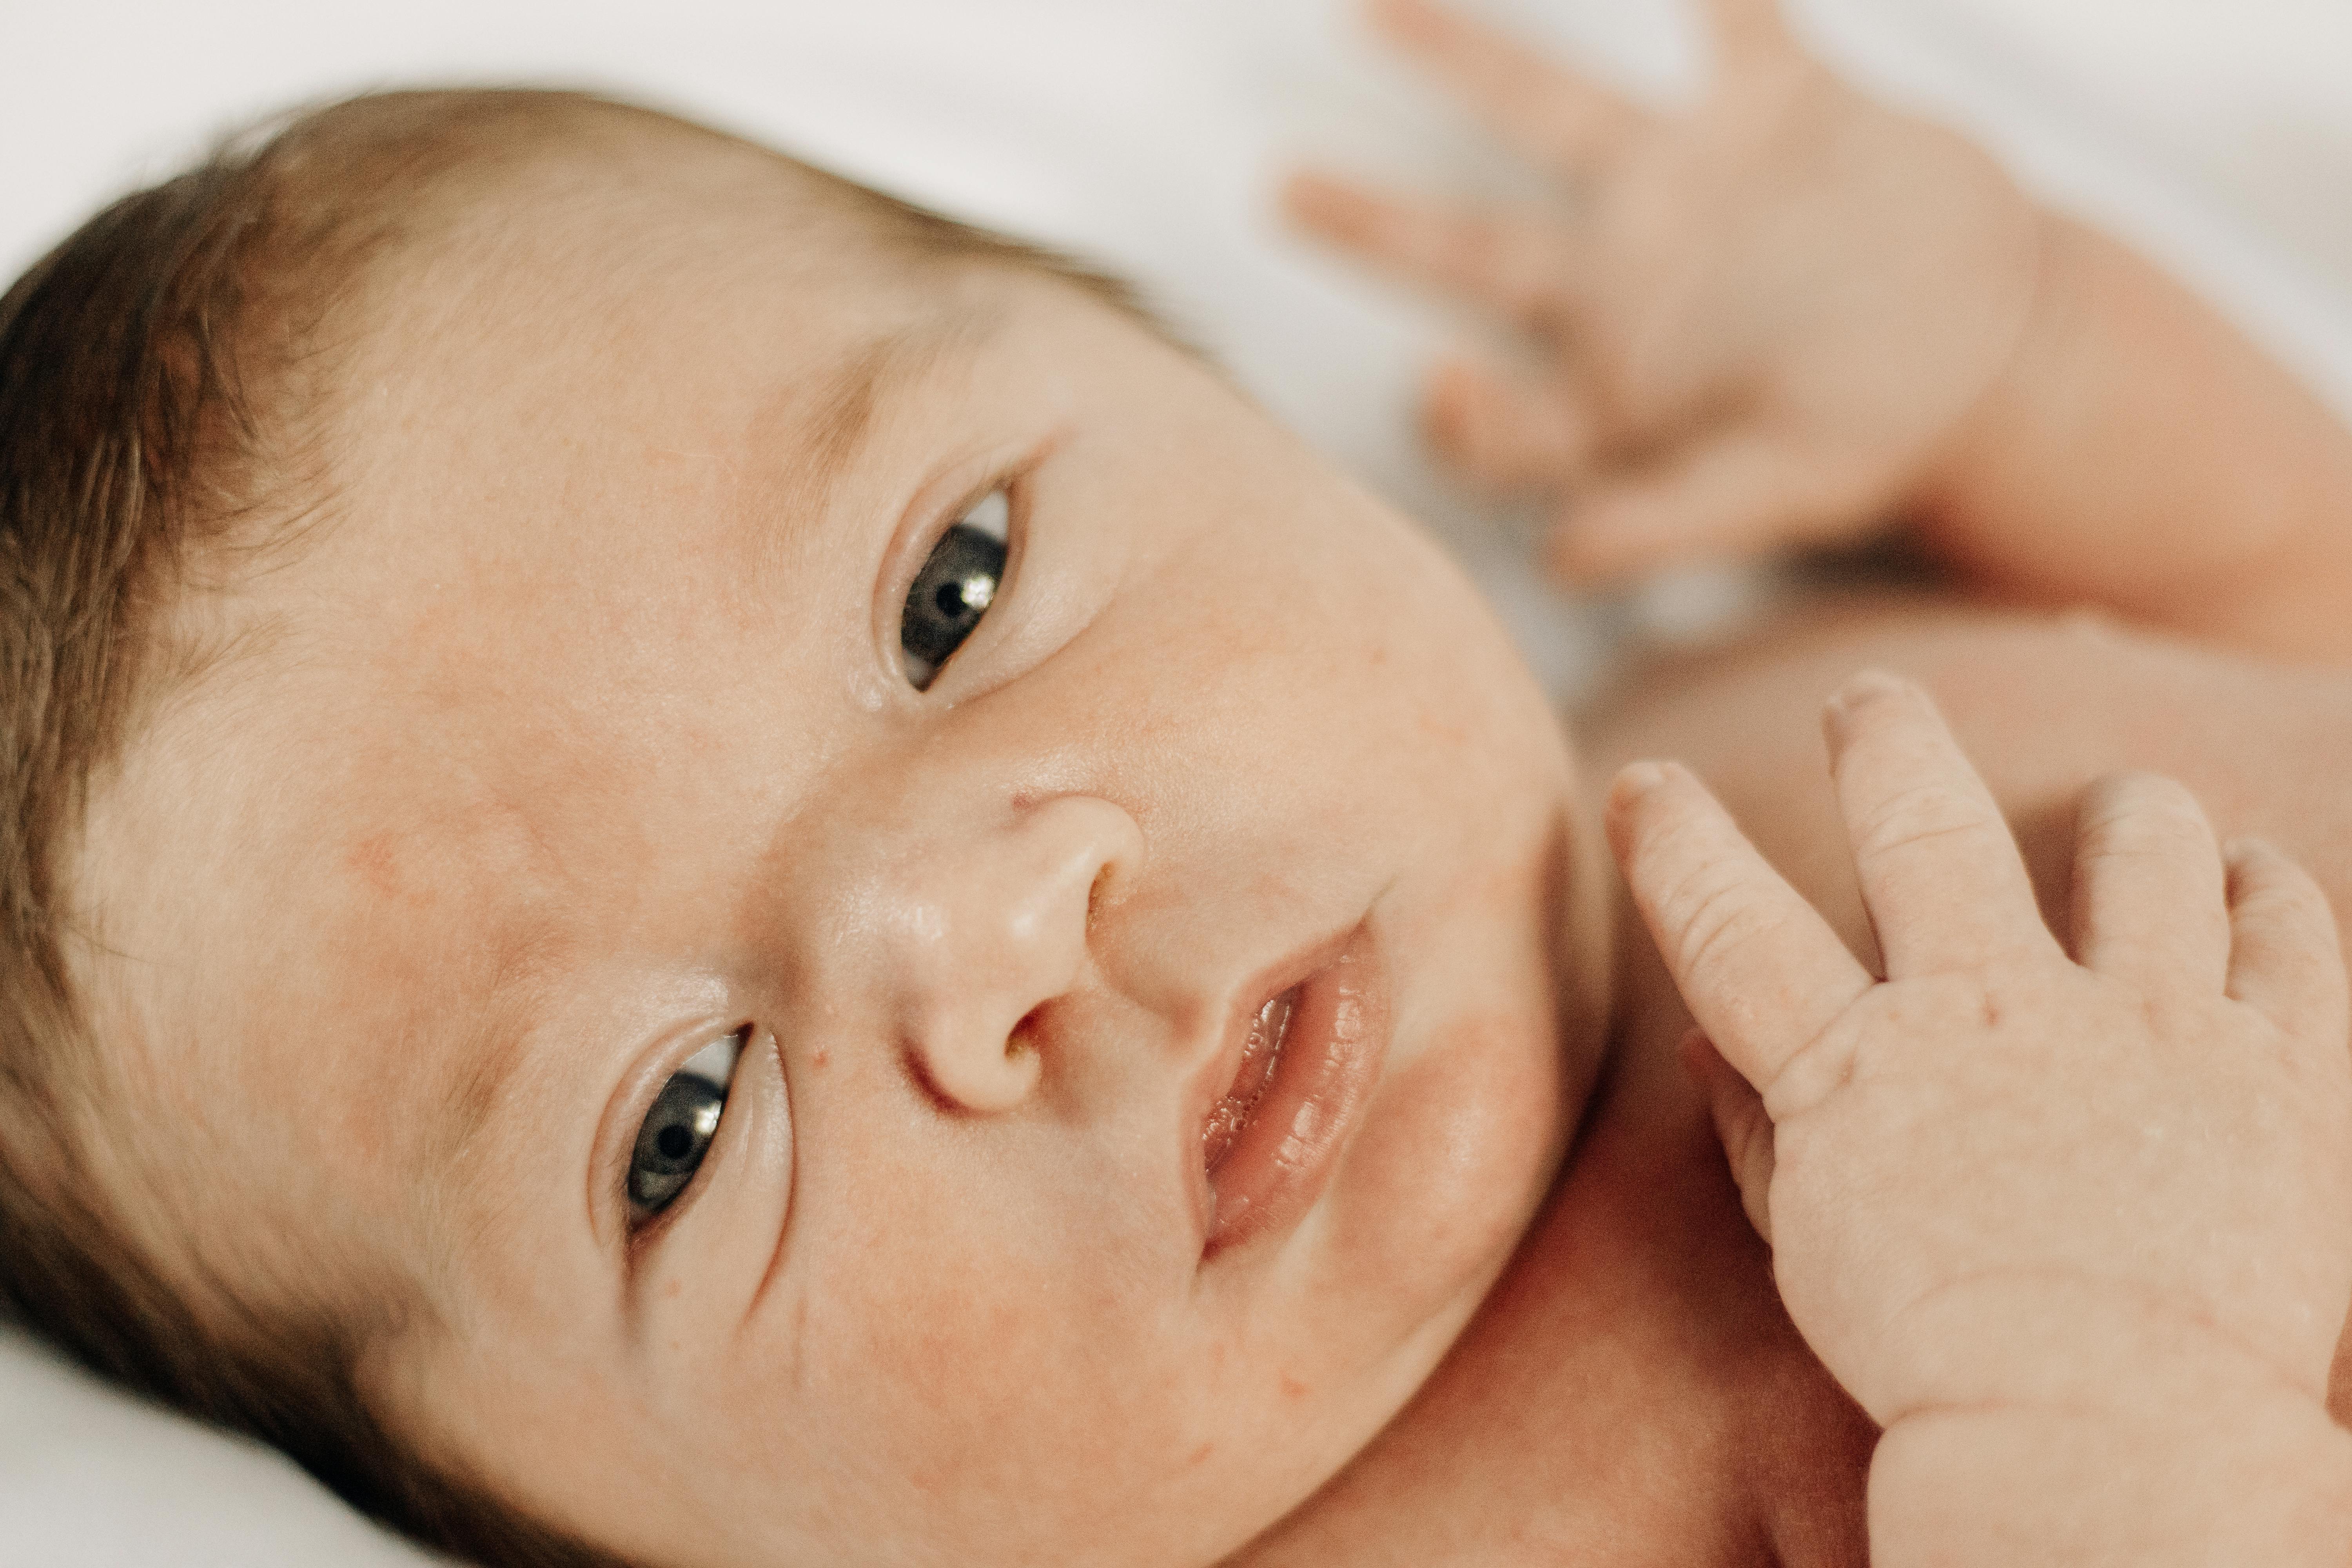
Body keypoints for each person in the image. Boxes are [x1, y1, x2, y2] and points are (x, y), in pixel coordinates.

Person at [0, 2, 2345, 1564]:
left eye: (955, 594)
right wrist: (2123, 1422)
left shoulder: (1751, 685)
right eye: (681, 1128)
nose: (1000, 929)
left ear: (1218, 396)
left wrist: (2004, 342)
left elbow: (2288, 587)